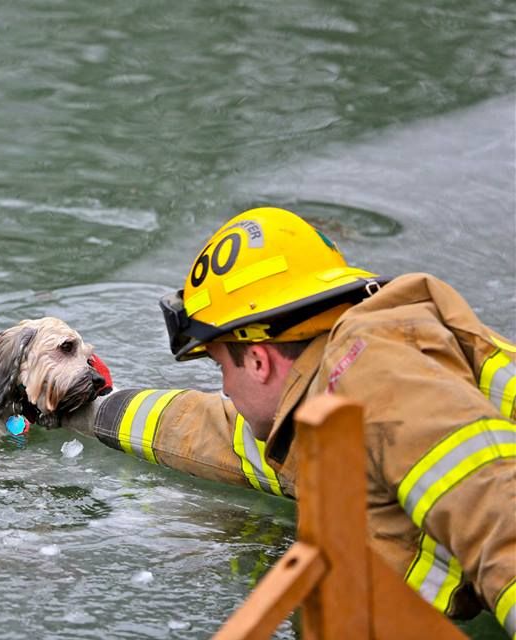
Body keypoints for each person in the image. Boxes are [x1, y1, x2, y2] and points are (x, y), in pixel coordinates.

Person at [64, 206, 516, 634]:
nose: (224, 387)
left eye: (221, 366)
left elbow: (500, 519)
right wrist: (89, 411)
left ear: (258, 360)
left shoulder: (378, 378)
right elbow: (214, 433)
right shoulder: (324, 397)